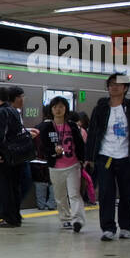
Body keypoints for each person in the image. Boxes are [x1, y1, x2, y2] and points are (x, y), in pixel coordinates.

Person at [85, 73, 130, 242]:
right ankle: (108, 228)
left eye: (118, 84)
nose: (114, 87)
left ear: (125, 88)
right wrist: (90, 156)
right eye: (111, 84)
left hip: (126, 157)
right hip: (105, 156)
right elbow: (93, 133)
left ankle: (126, 226)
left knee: (127, 193)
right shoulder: (101, 108)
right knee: (106, 193)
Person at [36, 96, 85, 233]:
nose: (58, 109)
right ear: (51, 109)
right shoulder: (46, 127)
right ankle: (65, 219)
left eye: (61, 107)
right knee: (60, 195)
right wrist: (53, 151)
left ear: (66, 109)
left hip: (73, 165)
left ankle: (78, 220)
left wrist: (83, 159)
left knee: (74, 194)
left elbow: (80, 144)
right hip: (56, 166)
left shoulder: (72, 126)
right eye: (55, 107)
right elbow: (43, 147)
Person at [0, 85, 29, 228]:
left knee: (5, 187)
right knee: (14, 187)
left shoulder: (2, 112)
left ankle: (8, 218)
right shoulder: (15, 111)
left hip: (5, 156)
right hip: (16, 156)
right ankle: (15, 216)